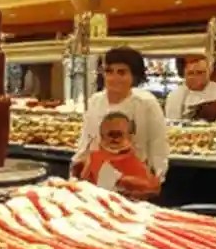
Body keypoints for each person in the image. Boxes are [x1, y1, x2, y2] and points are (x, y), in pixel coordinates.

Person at [71, 46, 169, 191]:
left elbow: (158, 146)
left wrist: (156, 181)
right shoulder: (95, 101)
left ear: (134, 77)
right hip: (98, 181)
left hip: (133, 182)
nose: (113, 78)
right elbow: (86, 142)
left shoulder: (146, 103)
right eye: (109, 71)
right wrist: (74, 176)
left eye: (121, 72)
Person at [80, 112, 159, 196]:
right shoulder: (93, 158)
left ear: (130, 136)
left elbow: (152, 189)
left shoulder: (138, 162)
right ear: (101, 136)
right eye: (110, 134)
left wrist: (126, 182)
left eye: (119, 134)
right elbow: (83, 185)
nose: (114, 138)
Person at [164, 56, 216, 121]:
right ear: (184, 74)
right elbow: (173, 126)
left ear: (209, 72)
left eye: (200, 72)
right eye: (190, 73)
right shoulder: (174, 96)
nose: (195, 77)